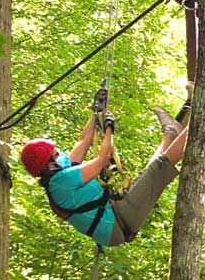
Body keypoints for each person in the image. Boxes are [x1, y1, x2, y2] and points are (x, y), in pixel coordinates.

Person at [19, 105, 188, 247]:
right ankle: (198, 125)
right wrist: (109, 128)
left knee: (149, 172)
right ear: (48, 166)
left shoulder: (59, 175)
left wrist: (96, 111)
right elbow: (103, 159)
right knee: (159, 168)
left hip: (115, 214)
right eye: (55, 154)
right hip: (119, 222)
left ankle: (171, 133)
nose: (60, 154)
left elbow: (83, 141)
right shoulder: (61, 183)